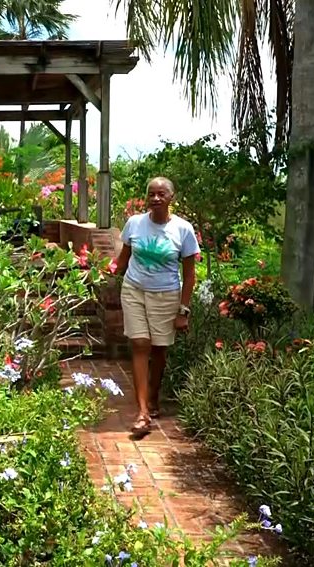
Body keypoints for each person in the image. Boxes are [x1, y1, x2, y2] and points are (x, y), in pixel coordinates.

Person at [114, 177, 199, 436]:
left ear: (171, 197)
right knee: (140, 344)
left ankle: (152, 397)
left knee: (159, 350)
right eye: (151, 194)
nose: (156, 198)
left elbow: (190, 275)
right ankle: (142, 412)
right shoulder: (135, 224)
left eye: (161, 194)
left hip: (166, 295)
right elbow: (122, 260)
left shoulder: (183, 230)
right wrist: (96, 272)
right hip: (134, 290)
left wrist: (183, 310)